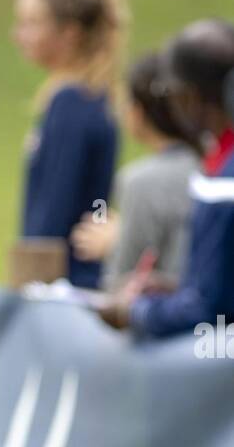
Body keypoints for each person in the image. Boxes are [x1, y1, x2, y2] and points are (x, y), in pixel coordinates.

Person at [99, 20, 234, 336]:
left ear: (187, 96)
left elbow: (206, 313)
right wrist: (179, 289)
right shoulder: (216, 164)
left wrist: (135, 310)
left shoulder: (223, 184)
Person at [12, 0, 126, 288]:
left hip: (66, 284)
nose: (18, 35)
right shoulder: (88, 95)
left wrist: (30, 286)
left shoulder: (71, 101)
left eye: (32, 24)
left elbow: (53, 210)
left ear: (70, 32)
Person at [71, 52, 201, 289]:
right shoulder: (217, 165)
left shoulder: (141, 182)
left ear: (137, 112)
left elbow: (121, 283)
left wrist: (116, 243)